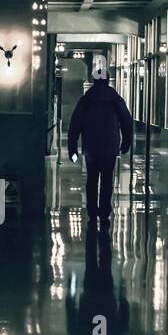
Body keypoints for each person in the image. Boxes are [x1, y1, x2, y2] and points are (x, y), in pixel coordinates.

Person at [67, 67, 133, 227]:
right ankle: (104, 211)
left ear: (95, 80)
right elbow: (127, 122)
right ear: (108, 80)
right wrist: (126, 143)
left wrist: (72, 149)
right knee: (107, 179)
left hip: (91, 145)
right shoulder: (116, 99)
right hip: (110, 146)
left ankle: (91, 210)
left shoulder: (86, 99)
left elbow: (75, 124)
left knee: (92, 178)